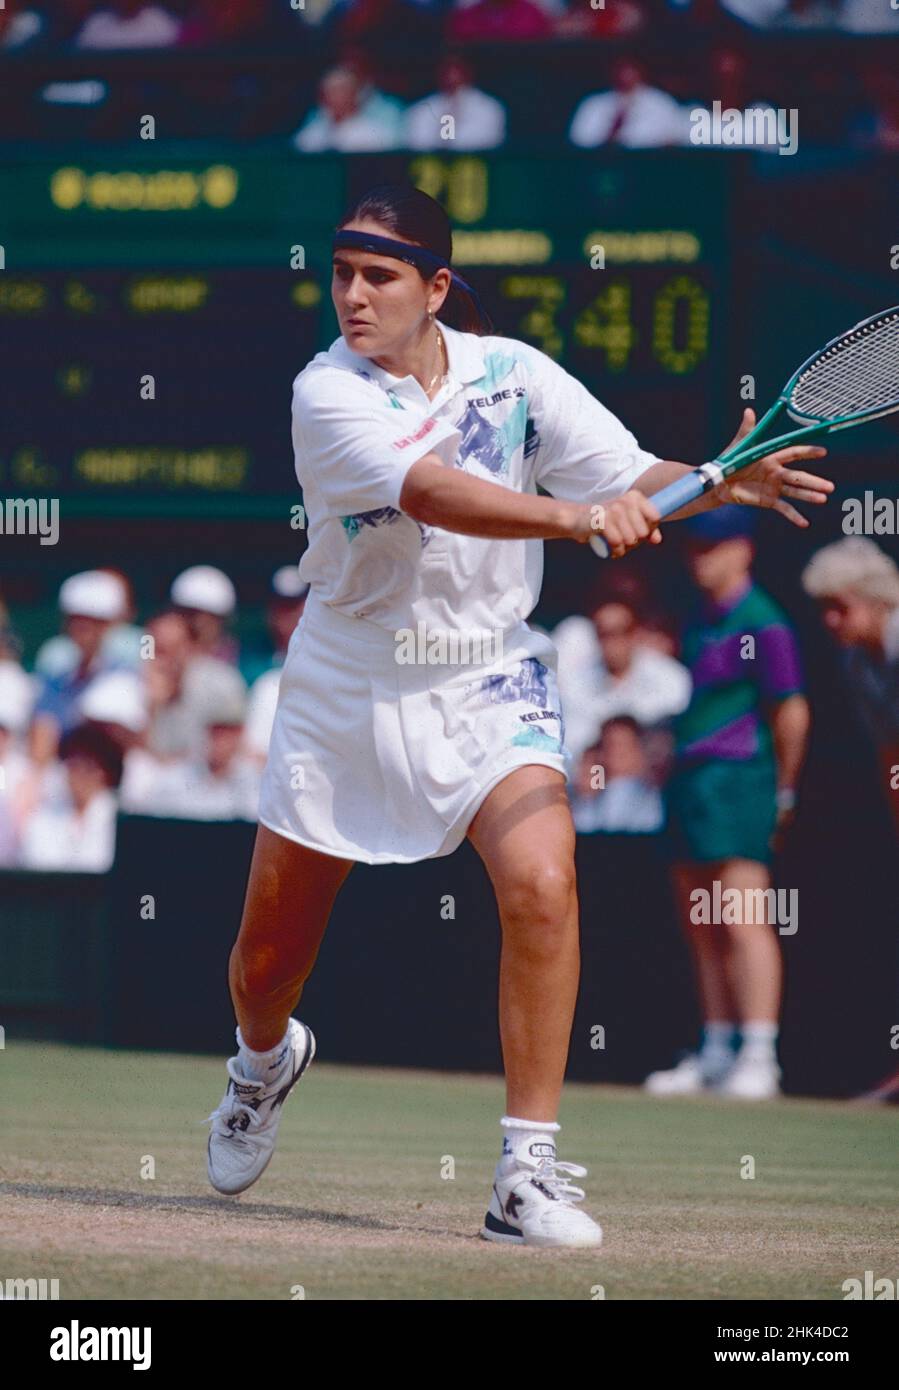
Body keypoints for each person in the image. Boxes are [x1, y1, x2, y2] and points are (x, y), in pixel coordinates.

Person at [204, 183, 832, 1248]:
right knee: (267, 963)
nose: (351, 296)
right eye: (342, 274)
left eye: (379, 277)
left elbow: (633, 475)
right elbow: (436, 493)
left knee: (543, 882)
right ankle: (262, 1062)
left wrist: (715, 484)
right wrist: (580, 518)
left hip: (489, 670)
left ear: (436, 288)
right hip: (348, 678)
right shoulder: (326, 392)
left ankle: (521, 1173)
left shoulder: (517, 376)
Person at [645, 505, 812, 1100]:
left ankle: (760, 1057)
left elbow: (790, 708)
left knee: (743, 919)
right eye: (693, 548)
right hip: (691, 783)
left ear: (744, 549)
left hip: (741, 782)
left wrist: (783, 790)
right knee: (701, 921)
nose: (700, 559)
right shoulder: (697, 621)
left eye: (712, 547)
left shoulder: (764, 622)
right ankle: (717, 1051)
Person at [801, 536, 899, 837]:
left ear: (876, 599)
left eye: (840, 607)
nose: (829, 620)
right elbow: (888, 749)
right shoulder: (854, 662)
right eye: (824, 608)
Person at [569, 58, 689, 150]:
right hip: (602, 164)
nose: (626, 75)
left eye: (630, 69)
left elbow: (675, 138)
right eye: (621, 69)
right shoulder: (594, 104)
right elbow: (579, 139)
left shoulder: (661, 103)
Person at [404, 53, 507, 151]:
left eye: (458, 71)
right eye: (447, 71)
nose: (452, 77)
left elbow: (487, 143)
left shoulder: (489, 108)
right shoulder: (420, 110)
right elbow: (416, 143)